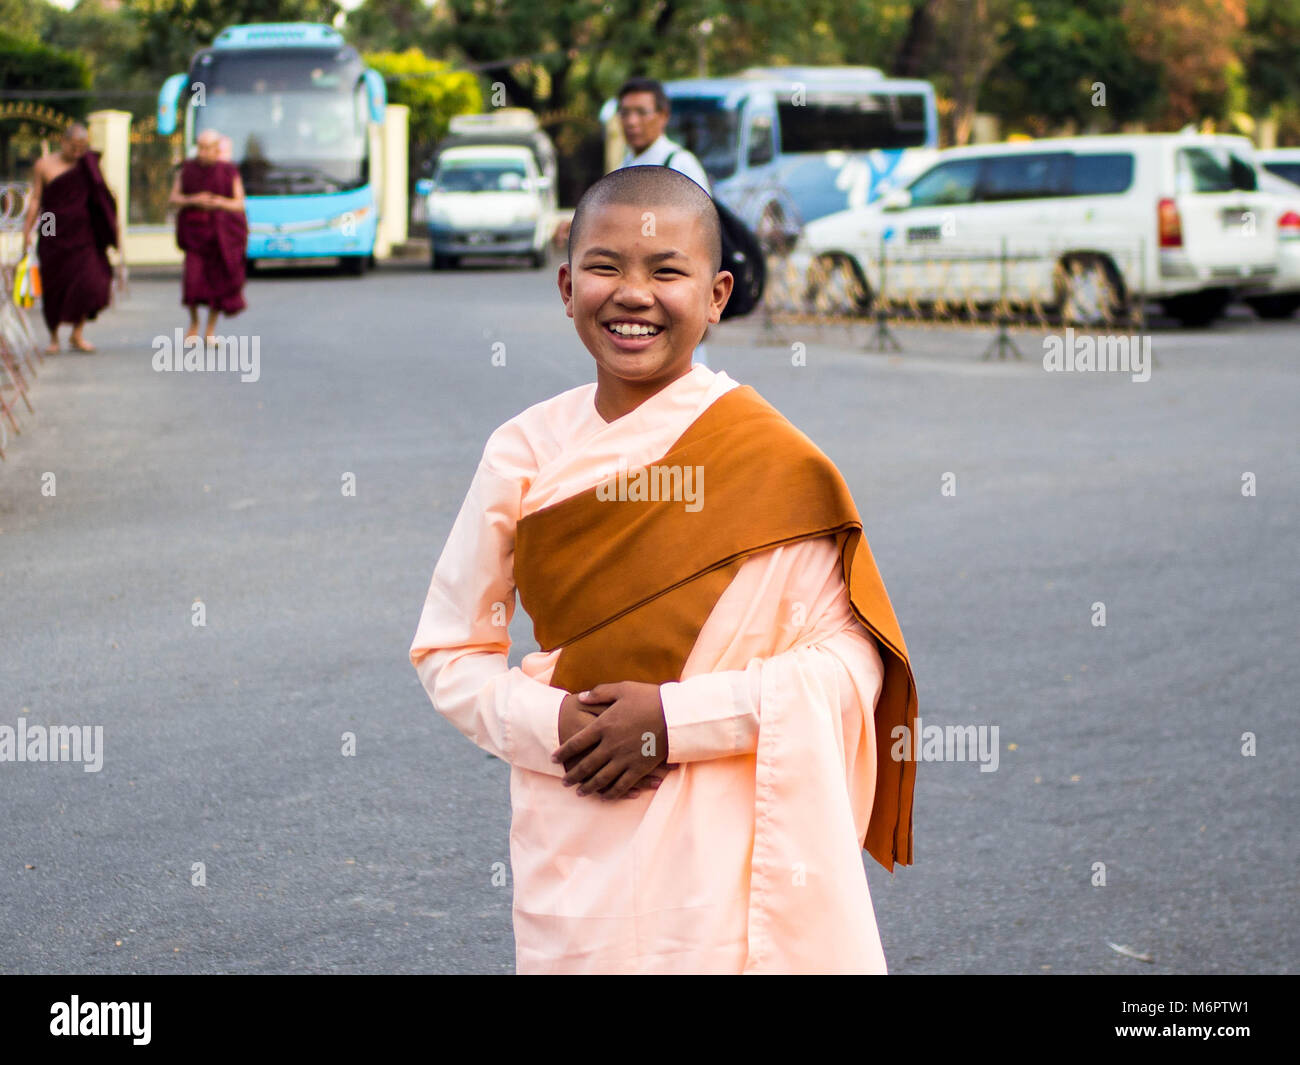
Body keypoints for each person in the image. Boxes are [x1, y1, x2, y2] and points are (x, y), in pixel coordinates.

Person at [409, 166, 918, 975]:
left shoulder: (773, 462)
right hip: (580, 834)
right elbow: (449, 651)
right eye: (606, 267)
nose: (633, 295)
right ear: (568, 284)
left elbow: (849, 664)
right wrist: (552, 725)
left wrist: (678, 719)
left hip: (738, 857)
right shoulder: (524, 452)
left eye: (666, 271)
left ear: (717, 295)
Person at [615, 77, 714, 367]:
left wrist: (702, 300)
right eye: (625, 113)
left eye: (641, 112)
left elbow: (703, 236)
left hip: (675, 288)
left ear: (663, 116)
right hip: (637, 288)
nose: (632, 122)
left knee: (682, 372)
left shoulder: (679, 164)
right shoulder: (627, 164)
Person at [21, 124, 118, 354]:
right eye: (73, 147)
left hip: (83, 228)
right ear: (63, 142)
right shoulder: (44, 165)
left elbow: (101, 193)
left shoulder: (88, 164)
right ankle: (53, 337)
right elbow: (36, 199)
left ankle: (77, 333)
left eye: (82, 148)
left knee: (89, 282)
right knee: (53, 281)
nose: (77, 152)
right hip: (51, 223)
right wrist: (27, 231)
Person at [170, 130, 248, 343]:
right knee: (192, 281)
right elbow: (174, 198)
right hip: (195, 235)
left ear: (217, 149)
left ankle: (210, 330)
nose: (203, 153)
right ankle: (193, 324)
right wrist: (193, 199)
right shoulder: (186, 169)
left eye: (208, 148)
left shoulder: (229, 171)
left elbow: (239, 203)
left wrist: (218, 202)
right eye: (200, 148)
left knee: (218, 282)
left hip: (220, 238)